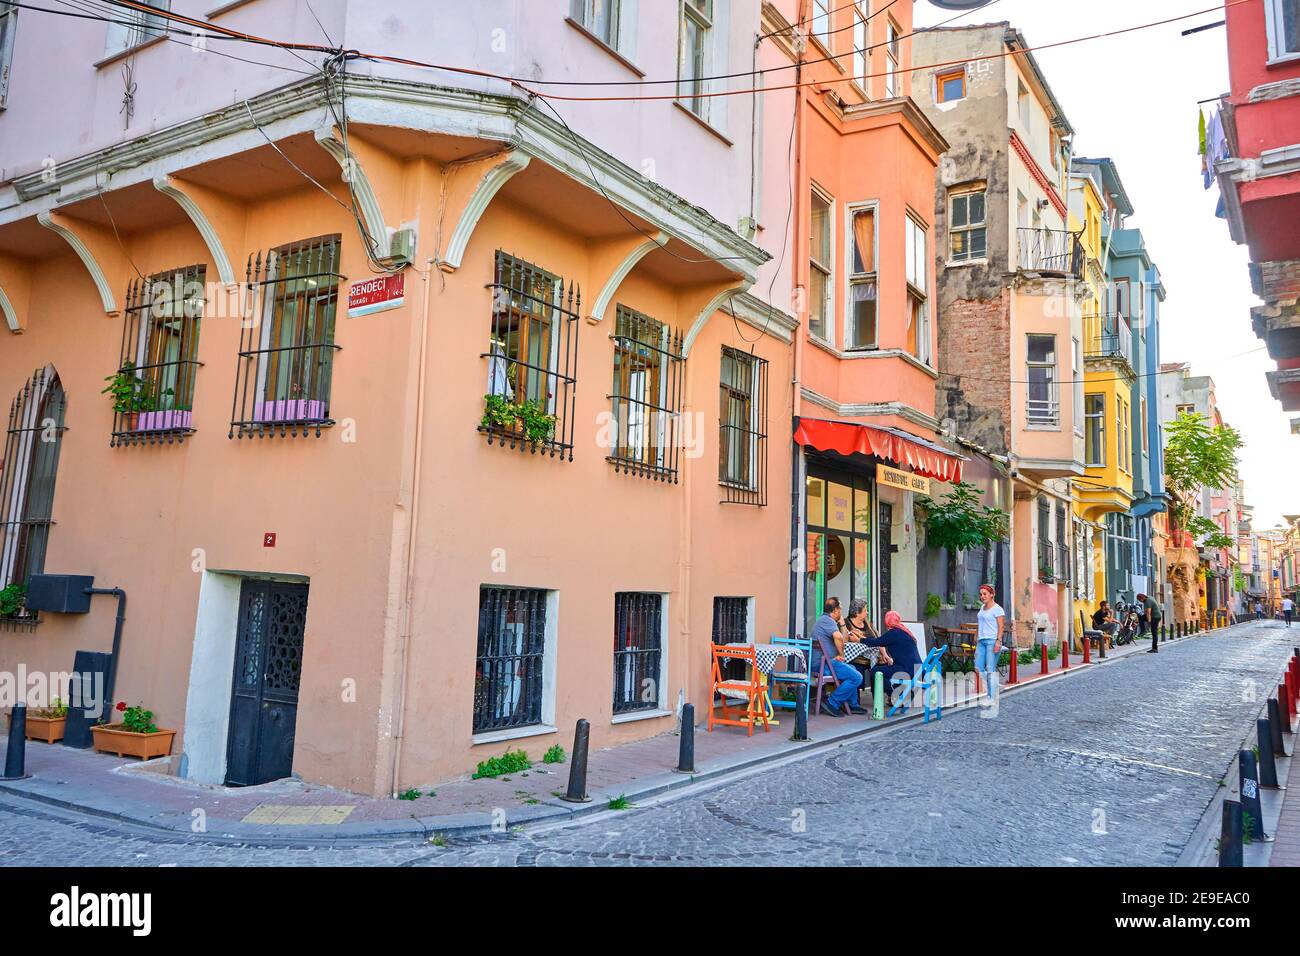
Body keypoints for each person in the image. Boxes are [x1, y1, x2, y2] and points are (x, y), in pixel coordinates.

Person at [809, 597, 865, 717]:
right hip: (824, 664)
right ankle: (832, 703)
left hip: (824, 663)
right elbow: (839, 637)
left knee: (853, 669)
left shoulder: (825, 620)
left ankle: (852, 704)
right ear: (835, 610)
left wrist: (842, 623)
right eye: (840, 609)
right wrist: (841, 655)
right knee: (857, 677)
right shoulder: (827, 621)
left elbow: (843, 639)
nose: (841, 612)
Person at [855, 610, 922, 709]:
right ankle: (900, 695)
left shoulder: (893, 633)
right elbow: (880, 641)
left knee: (875, 672)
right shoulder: (904, 631)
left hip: (906, 670)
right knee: (884, 669)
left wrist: (858, 640)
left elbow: (876, 642)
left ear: (887, 621)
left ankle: (898, 696)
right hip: (916, 670)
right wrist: (861, 637)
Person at [842, 598, 888, 688]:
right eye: (865, 610)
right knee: (856, 669)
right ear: (857, 613)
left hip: (874, 656)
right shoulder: (845, 624)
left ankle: (879, 697)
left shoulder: (868, 623)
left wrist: (885, 654)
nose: (867, 613)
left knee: (882, 670)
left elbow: (878, 639)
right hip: (856, 658)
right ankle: (855, 700)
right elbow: (845, 641)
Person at [974, 584, 1004, 701]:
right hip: (981, 642)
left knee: (990, 669)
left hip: (992, 641)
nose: (982, 596)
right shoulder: (982, 608)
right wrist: (976, 634)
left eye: (985, 594)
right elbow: (980, 622)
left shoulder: (998, 609)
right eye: (981, 594)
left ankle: (991, 697)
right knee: (978, 668)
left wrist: (998, 641)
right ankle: (996, 686)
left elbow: (1001, 627)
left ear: (992, 594)